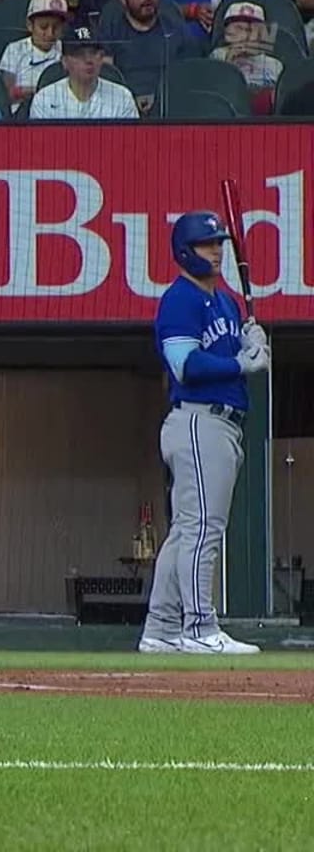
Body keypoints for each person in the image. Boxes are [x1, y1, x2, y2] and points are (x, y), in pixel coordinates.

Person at [139, 212, 266, 656]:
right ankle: (199, 625)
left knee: (188, 530)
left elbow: (231, 357)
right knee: (203, 529)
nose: (216, 251)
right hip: (197, 418)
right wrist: (240, 363)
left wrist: (249, 344)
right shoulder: (179, 300)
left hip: (223, 422)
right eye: (206, 244)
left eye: (218, 244)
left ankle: (160, 628)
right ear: (184, 252)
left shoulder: (227, 302)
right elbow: (185, 366)